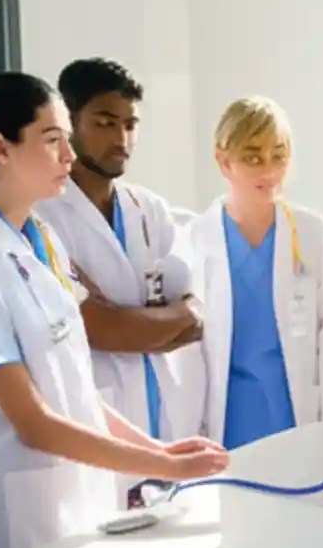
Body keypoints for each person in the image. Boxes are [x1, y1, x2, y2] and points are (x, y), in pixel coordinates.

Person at [0, 73, 227, 548]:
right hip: (7, 514)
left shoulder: (40, 238)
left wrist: (157, 448)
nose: (69, 155)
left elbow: (75, 391)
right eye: (53, 140)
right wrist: (165, 467)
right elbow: (34, 421)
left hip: (71, 501)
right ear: (0, 148)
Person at [36, 59, 206, 494]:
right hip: (96, 429)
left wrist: (134, 324)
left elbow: (198, 318)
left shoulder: (151, 210)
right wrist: (160, 318)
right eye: (106, 122)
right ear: (69, 123)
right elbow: (98, 327)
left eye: (131, 124)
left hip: (164, 420)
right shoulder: (42, 217)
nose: (122, 138)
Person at [189, 96, 323, 449]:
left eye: (278, 156)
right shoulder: (195, 239)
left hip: (297, 414)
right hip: (227, 420)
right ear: (223, 161)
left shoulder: (311, 232)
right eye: (252, 157)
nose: (268, 171)